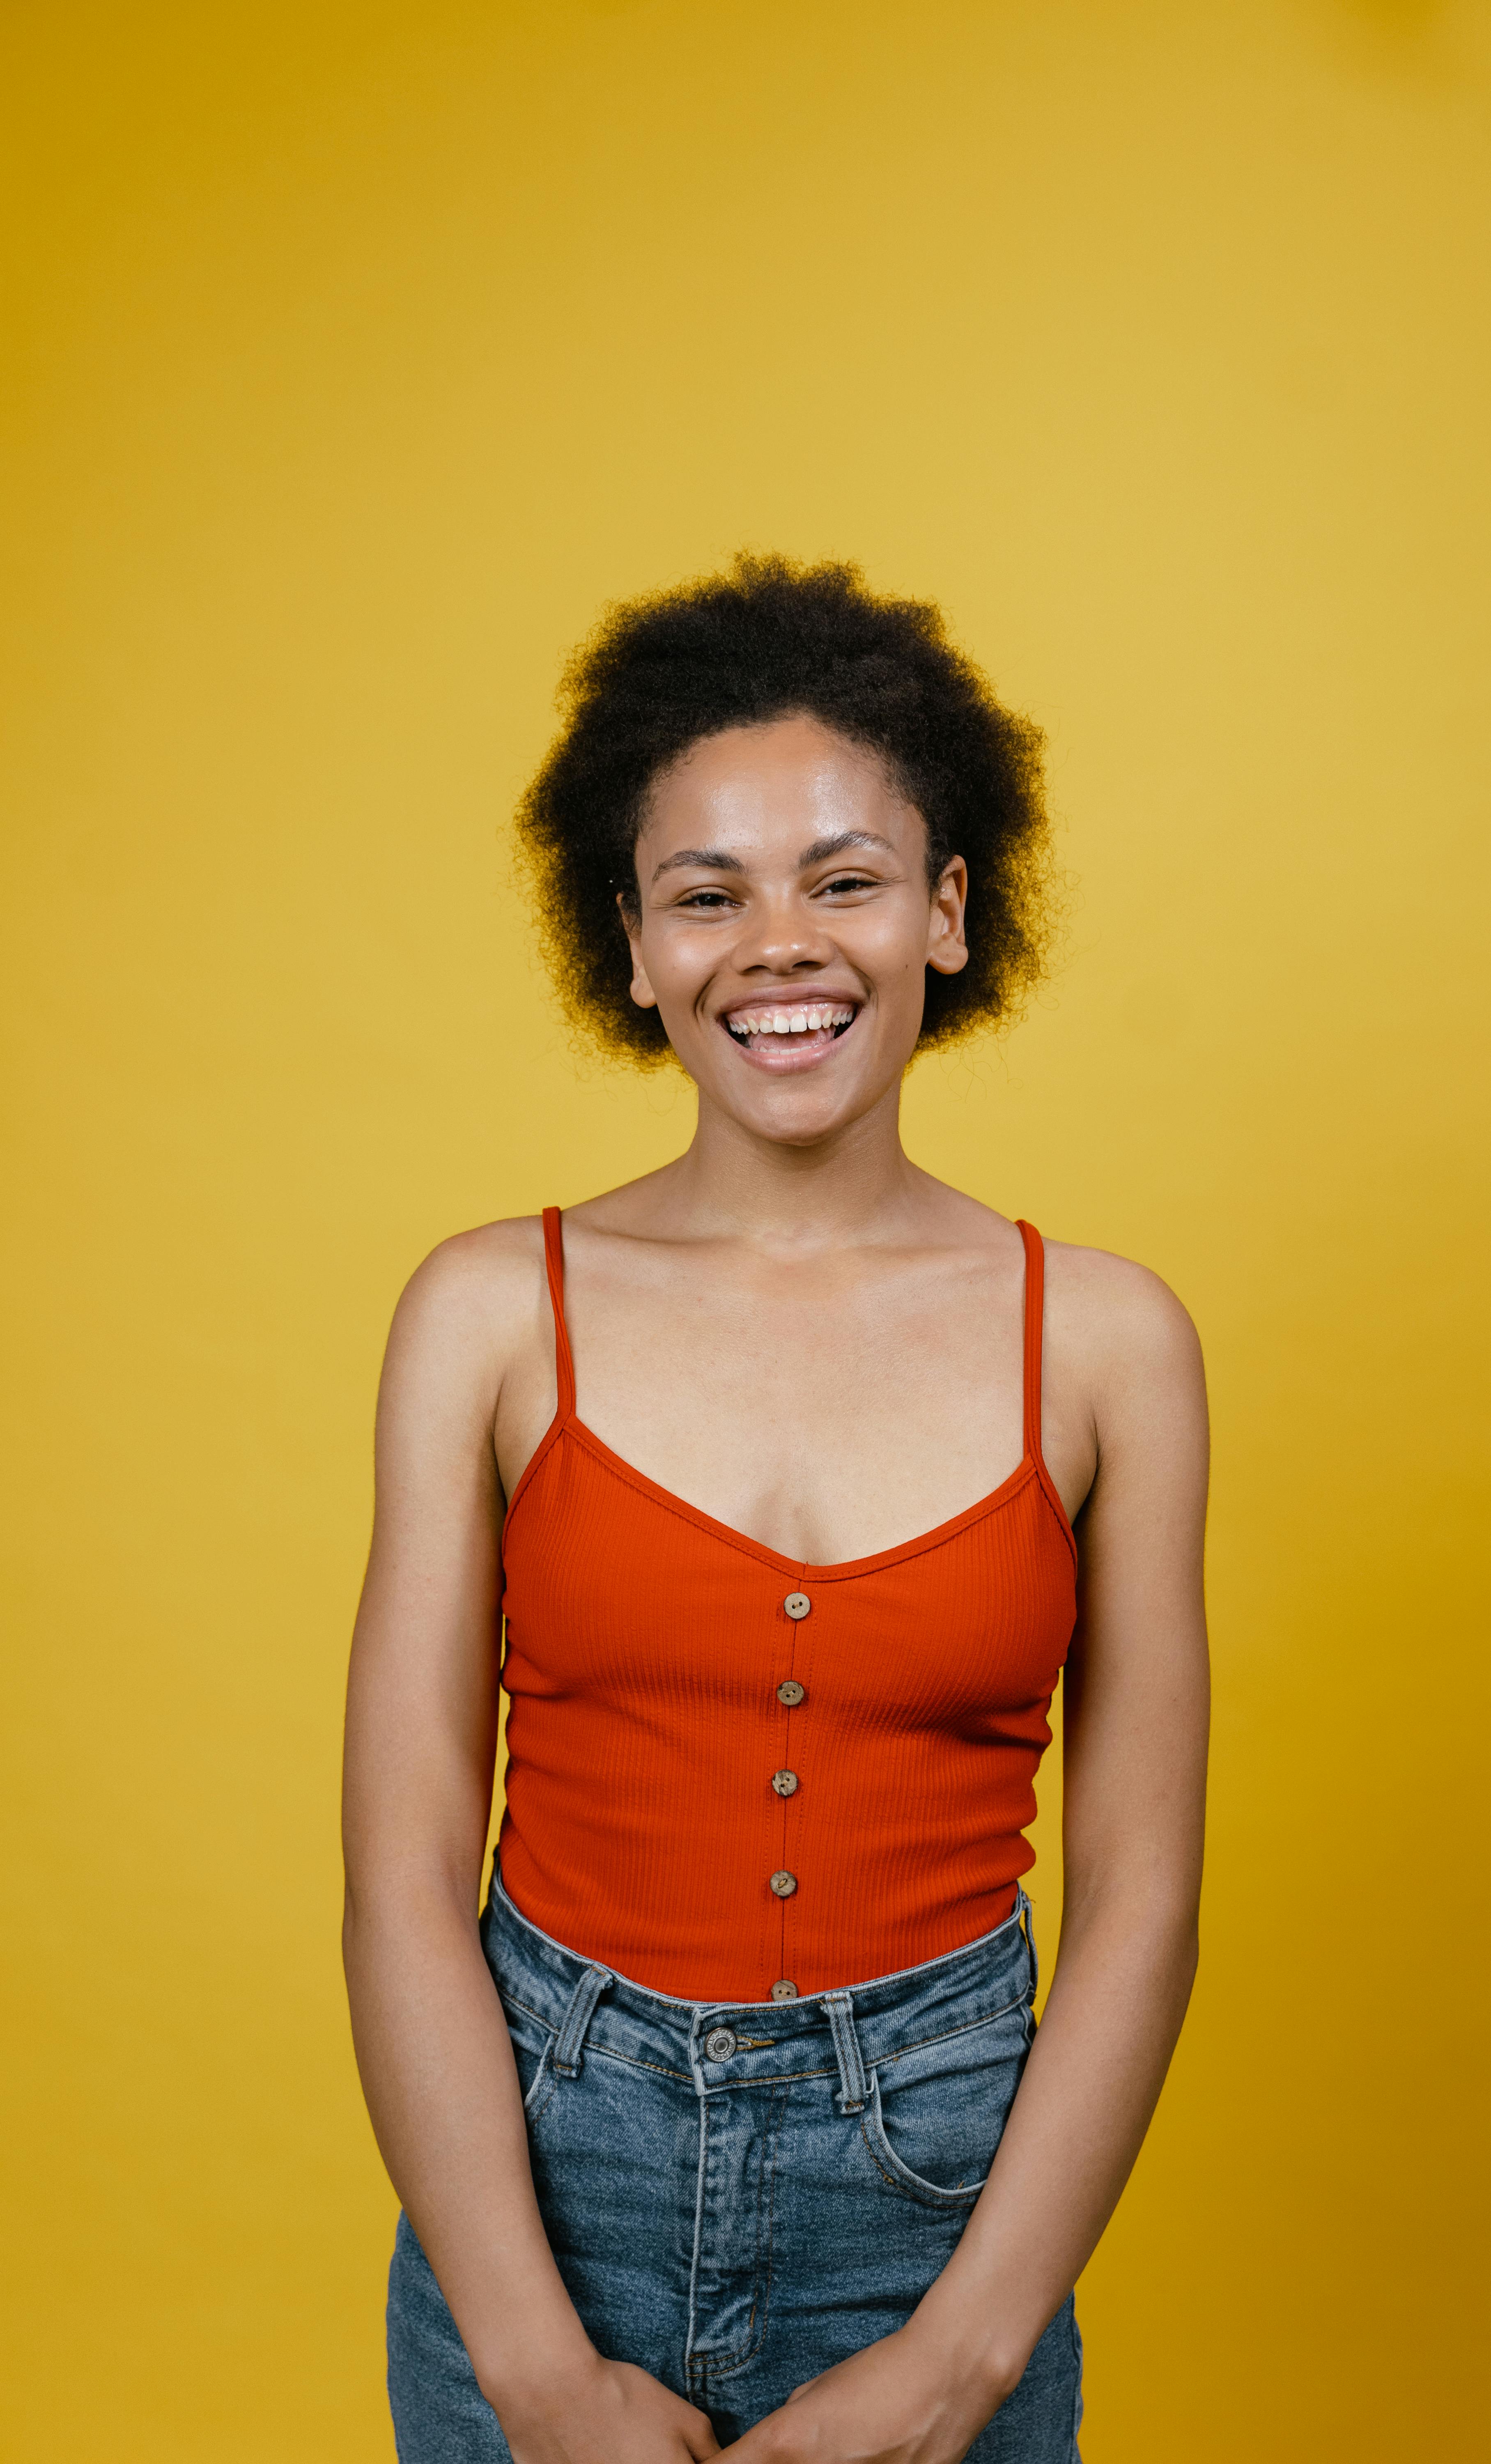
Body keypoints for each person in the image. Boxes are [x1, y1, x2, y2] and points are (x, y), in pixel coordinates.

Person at [342, 555, 1210, 2464]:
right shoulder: (488, 1314)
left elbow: (1140, 1899)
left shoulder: (1111, 1345)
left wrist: (967, 2359)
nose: (781, 945)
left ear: (948, 910)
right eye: (706, 894)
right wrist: (530, 2365)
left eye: (845, 877)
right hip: (537, 2200)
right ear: (635, 944)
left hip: (945, 2210)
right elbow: (403, 1875)